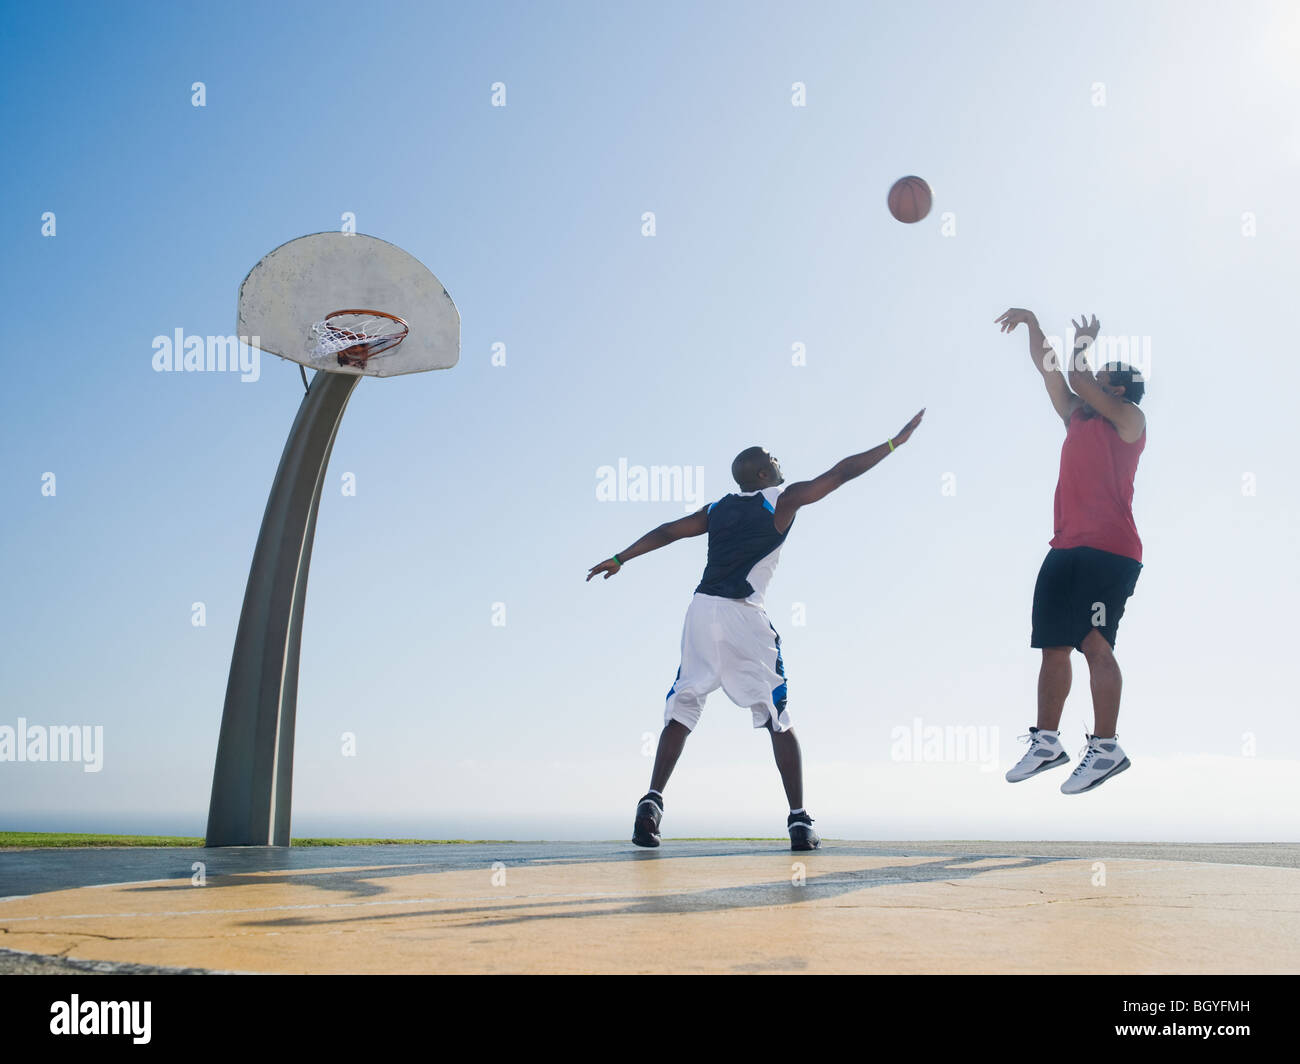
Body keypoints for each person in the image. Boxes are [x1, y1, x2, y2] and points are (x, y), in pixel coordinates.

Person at [587, 410, 925, 849]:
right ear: (763, 473)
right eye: (773, 458)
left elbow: (669, 531)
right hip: (742, 613)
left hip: (701, 611)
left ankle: (650, 804)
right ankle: (799, 822)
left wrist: (621, 558)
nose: (780, 461)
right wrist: (895, 442)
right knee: (777, 716)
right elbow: (841, 473)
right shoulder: (781, 499)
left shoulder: (717, 509)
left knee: (683, 705)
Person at [995, 308, 1146, 794]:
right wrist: (1033, 324)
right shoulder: (1078, 418)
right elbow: (1052, 371)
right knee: (1053, 645)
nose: (1091, 381)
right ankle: (1047, 742)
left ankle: (1107, 747)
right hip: (1064, 547)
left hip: (1109, 551)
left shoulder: (1130, 420)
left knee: (1095, 643)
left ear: (1117, 390)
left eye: (1103, 378)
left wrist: (1082, 343)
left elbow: (1077, 376)